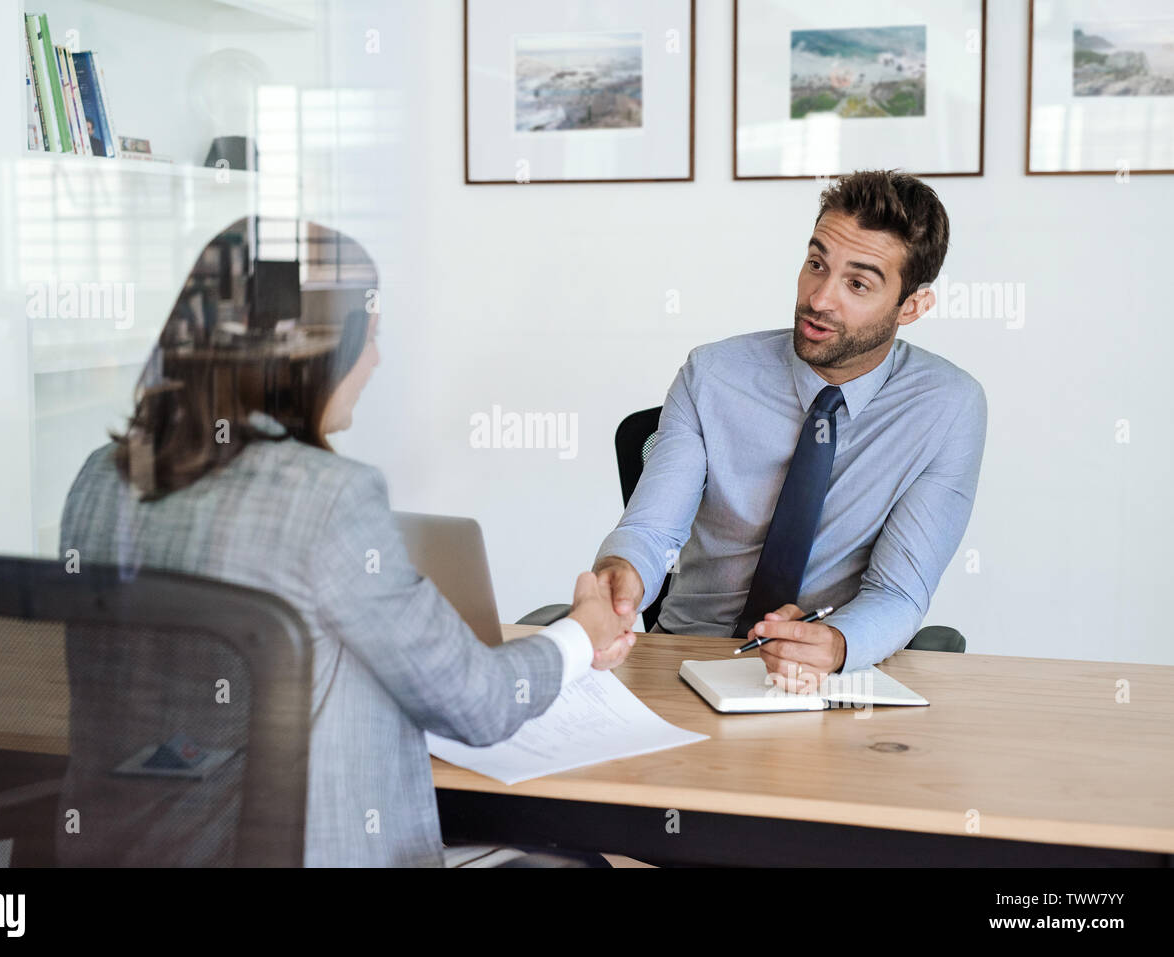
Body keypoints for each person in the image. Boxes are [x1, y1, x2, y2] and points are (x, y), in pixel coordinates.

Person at [59, 216, 635, 866]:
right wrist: (582, 631)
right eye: (370, 336)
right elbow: (482, 704)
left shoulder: (98, 479)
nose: (376, 358)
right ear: (313, 354)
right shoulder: (326, 496)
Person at [593, 169, 988, 691]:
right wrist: (623, 580)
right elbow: (652, 532)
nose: (820, 299)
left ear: (911, 305)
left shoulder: (947, 407)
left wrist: (839, 644)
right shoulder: (712, 375)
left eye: (857, 284)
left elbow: (898, 592)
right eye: (816, 264)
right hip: (686, 655)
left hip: (824, 675)